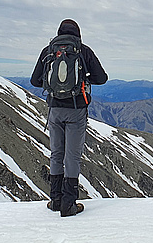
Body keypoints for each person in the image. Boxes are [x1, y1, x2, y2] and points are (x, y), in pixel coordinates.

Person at [31, 19, 107, 217]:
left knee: (56, 153)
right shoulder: (83, 51)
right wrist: (84, 78)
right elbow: (102, 78)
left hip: (54, 108)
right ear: (77, 33)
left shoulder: (48, 51)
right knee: (71, 156)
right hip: (76, 109)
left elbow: (34, 80)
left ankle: (55, 200)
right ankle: (69, 204)